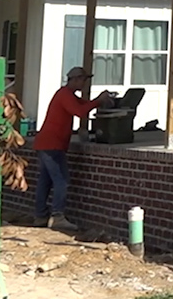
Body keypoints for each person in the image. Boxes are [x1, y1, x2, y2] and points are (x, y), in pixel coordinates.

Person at [32, 66, 112, 231]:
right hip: (52, 145)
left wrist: (99, 100)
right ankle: (57, 216)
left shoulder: (66, 95)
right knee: (62, 180)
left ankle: (40, 216)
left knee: (45, 181)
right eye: (83, 79)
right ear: (75, 79)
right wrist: (98, 101)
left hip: (47, 143)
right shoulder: (65, 95)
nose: (85, 83)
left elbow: (83, 104)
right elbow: (79, 111)